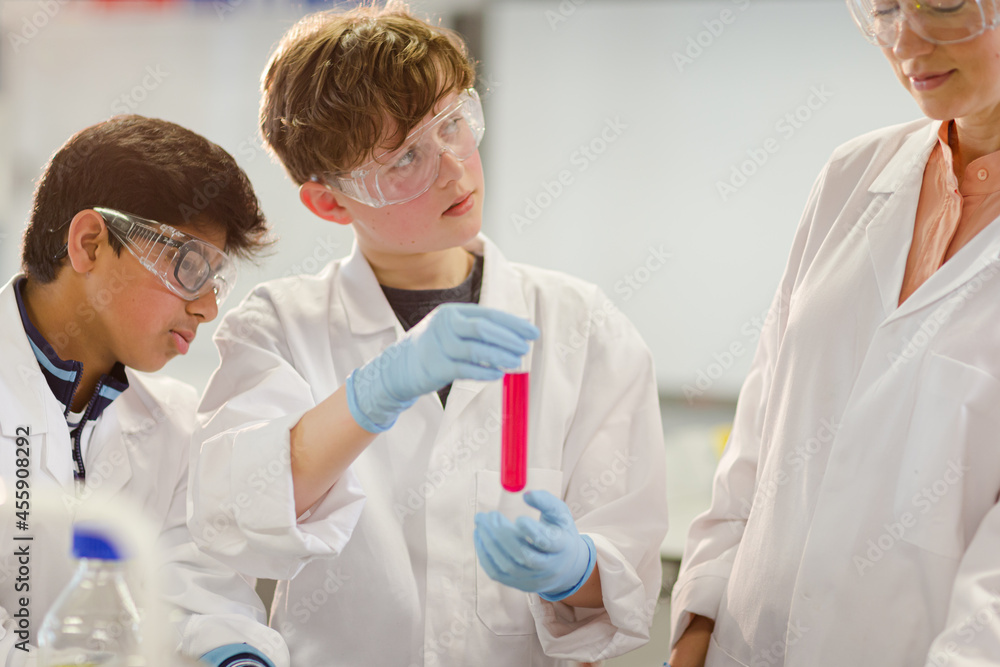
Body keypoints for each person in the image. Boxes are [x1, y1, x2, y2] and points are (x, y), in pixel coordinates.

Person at [187, 3, 669, 665]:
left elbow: (626, 580)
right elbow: (231, 517)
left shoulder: (581, 327)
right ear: (330, 201)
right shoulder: (278, 329)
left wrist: (572, 568)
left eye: (452, 125)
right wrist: (371, 394)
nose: (454, 169)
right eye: (405, 157)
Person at [669, 1, 1000, 665]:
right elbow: (761, 427)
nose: (906, 42)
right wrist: (698, 626)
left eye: (942, 4)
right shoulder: (853, 174)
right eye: (885, 9)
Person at [3, 115, 286, 666]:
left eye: (217, 281)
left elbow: (195, 599)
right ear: (90, 244)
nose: (207, 308)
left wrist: (232, 654)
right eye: (189, 265)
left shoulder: (178, 424)